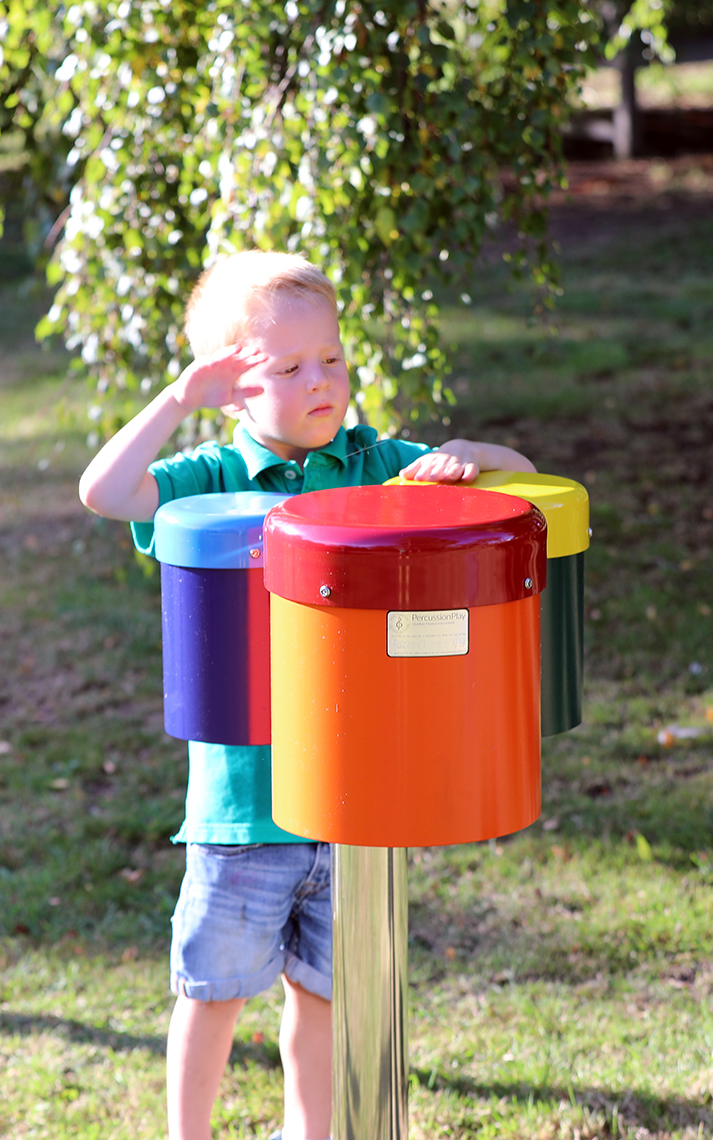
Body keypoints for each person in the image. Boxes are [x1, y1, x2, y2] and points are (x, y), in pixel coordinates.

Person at [79, 250, 536, 1140]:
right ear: (232, 390)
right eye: (288, 369)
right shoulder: (211, 475)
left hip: (358, 805)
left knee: (326, 996)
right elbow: (106, 492)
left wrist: (470, 456)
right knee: (212, 993)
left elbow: (517, 483)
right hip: (243, 811)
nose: (320, 381)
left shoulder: (379, 465)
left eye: (330, 357)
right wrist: (177, 399)